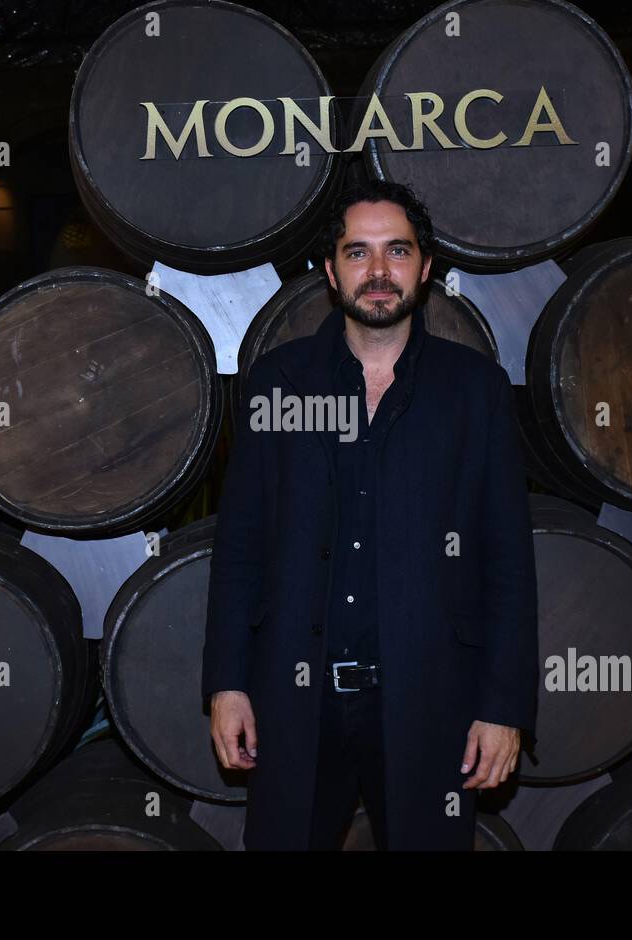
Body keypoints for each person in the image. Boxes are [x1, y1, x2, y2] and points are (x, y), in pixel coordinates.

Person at [202, 177, 539, 850]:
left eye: (397, 251)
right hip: (294, 700)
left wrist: (503, 707)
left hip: (429, 699)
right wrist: (227, 683)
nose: (379, 272)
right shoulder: (277, 383)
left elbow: (505, 557)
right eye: (358, 253)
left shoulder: (475, 391)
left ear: (426, 267)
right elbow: (241, 544)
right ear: (330, 271)